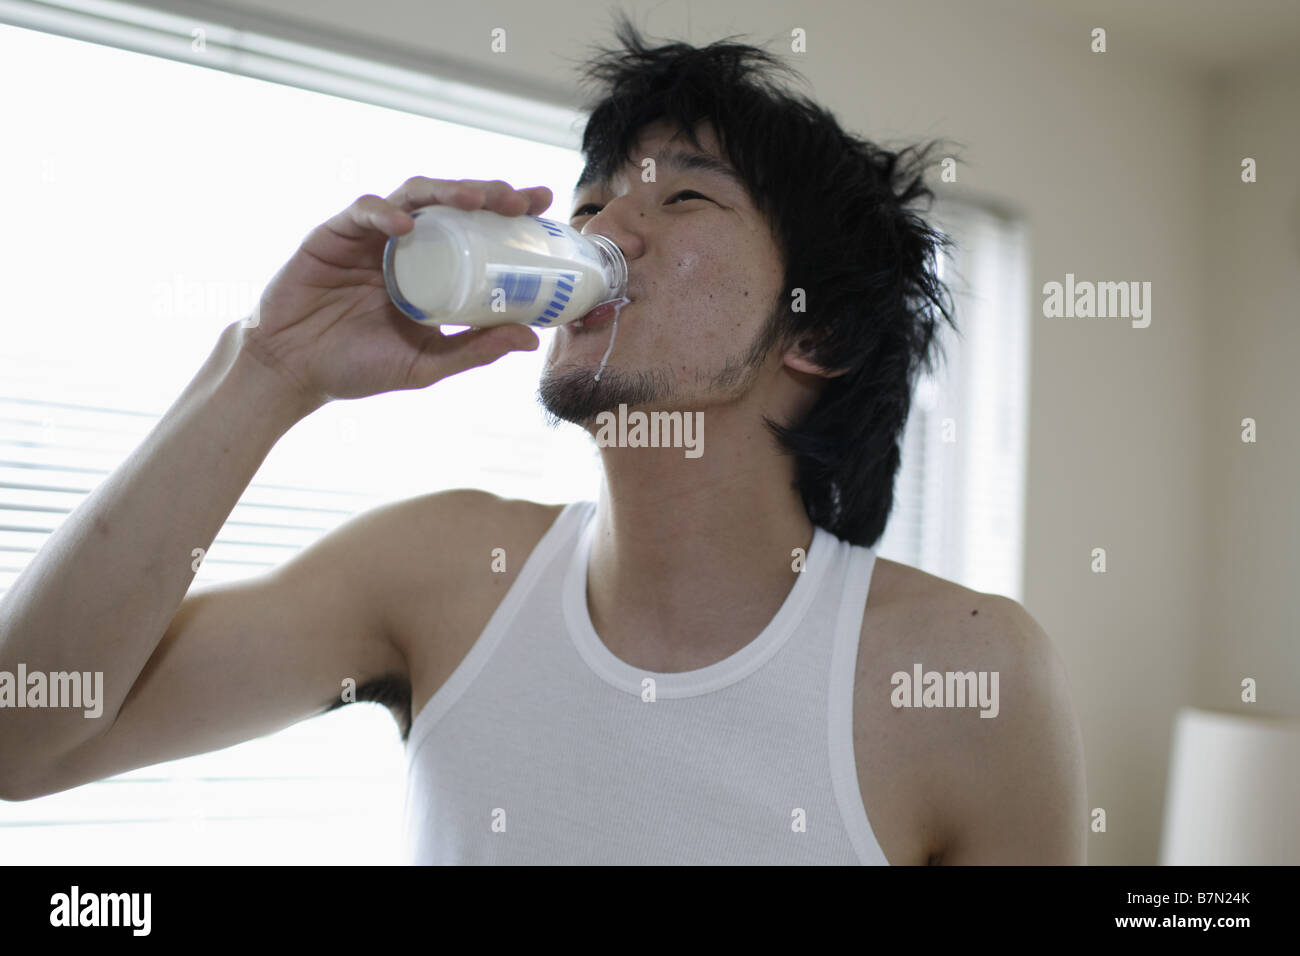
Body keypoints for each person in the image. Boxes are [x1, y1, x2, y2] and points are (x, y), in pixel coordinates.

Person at [0, 18, 1085, 864]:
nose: (601, 229)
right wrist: (269, 369)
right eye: (595, 198)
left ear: (817, 331)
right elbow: (23, 734)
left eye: (686, 197)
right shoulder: (432, 574)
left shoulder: (968, 667)